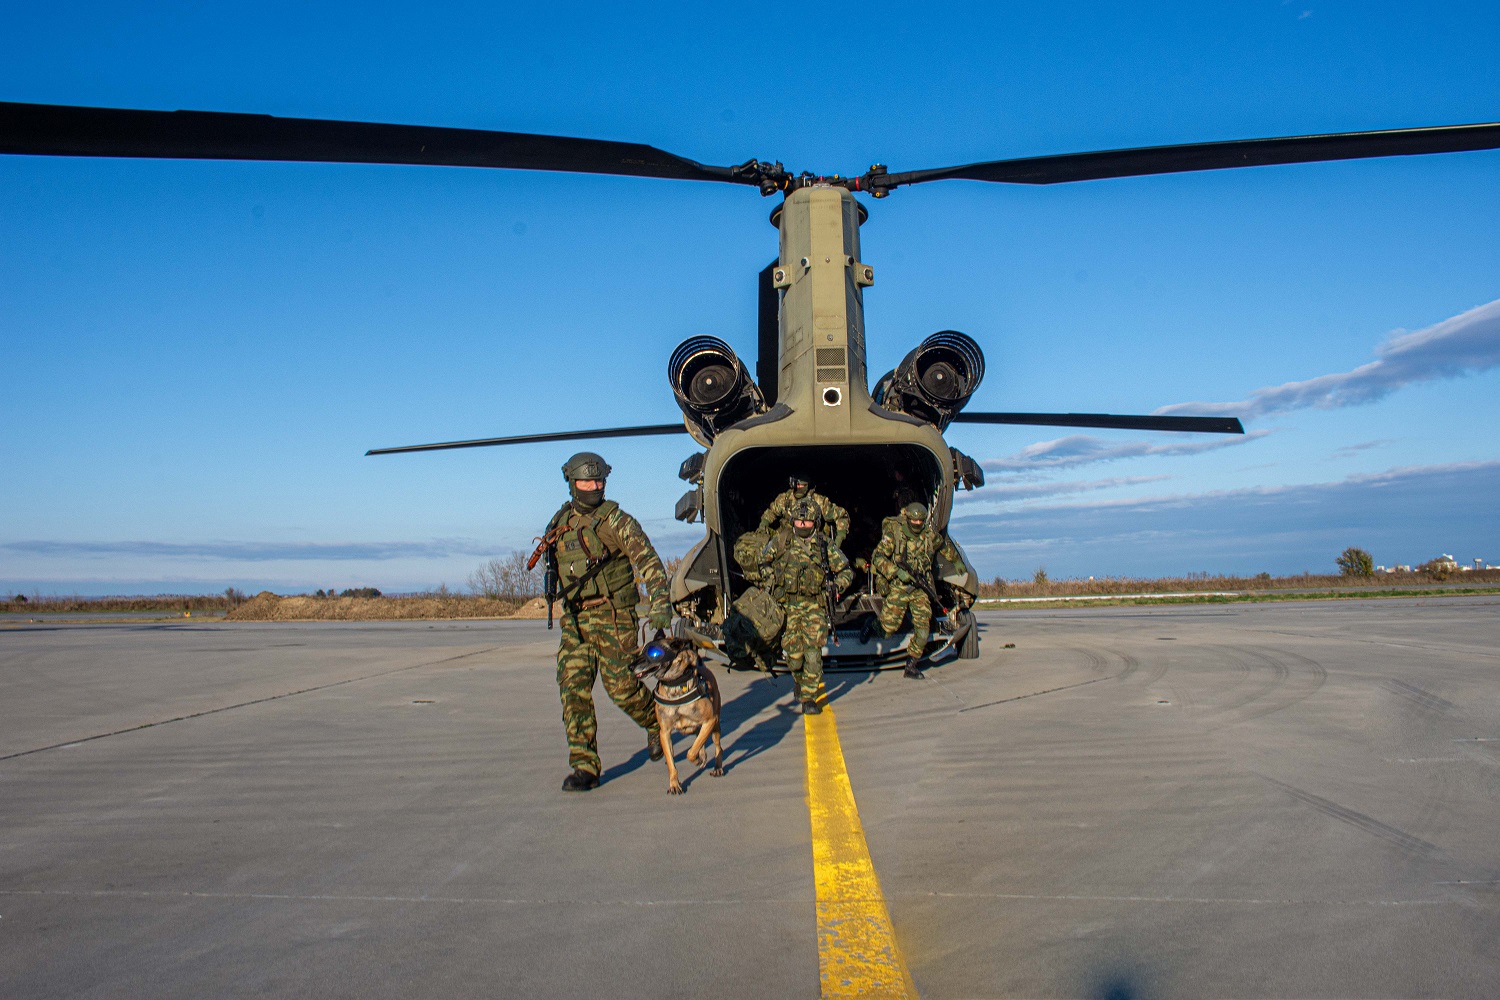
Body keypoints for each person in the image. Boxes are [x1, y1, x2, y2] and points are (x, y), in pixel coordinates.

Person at [543, 451, 673, 792]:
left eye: (599, 480)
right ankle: (584, 766)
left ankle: (655, 720)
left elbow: (650, 563)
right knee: (572, 688)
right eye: (587, 481)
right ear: (572, 482)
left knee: (622, 690)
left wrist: (660, 603)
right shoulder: (559, 522)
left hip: (614, 616)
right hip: (576, 619)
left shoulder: (617, 521)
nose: (594, 486)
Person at [762, 501, 852, 714]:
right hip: (788, 606)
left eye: (808, 520)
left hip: (814, 606)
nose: (803, 524)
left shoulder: (824, 545)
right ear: (793, 521)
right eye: (799, 520)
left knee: (813, 654)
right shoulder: (781, 541)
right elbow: (763, 561)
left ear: (816, 522)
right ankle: (799, 681)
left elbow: (846, 571)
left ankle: (809, 698)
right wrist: (770, 577)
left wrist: (835, 586)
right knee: (794, 657)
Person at [864, 501, 944, 679]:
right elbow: (878, 557)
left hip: (919, 589)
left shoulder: (928, 536)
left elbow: (942, 544)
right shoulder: (895, 535)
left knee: (923, 630)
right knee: (887, 630)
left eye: (920, 522)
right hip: (900, 587)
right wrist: (897, 571)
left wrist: (957, 563)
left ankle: (911, 665)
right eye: (913, 521)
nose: (917, 524)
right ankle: (872, 624)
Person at [758, 475, 850, 548]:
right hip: (786, 541)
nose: (799, 487)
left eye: (801, 485)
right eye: (796, 484)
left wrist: (838, 540)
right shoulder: (785, 499)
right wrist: (763, 526)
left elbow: (841, 515)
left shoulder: (818, 501)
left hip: (813, 543)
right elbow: (771, 512)